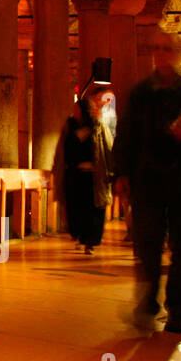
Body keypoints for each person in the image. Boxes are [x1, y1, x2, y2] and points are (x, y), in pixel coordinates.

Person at [112, 28, 181, 334]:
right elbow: (126, 135)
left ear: (177, 55)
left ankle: (177, 311)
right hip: (148, 180)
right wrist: (121, 173)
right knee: (147, 245)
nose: (160, 53)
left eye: (166, 49)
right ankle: (148, 302)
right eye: (156, 48)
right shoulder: (140, 94)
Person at [63, 94, 115, 254]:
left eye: (77, 110)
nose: (75, 113)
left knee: (94, 210)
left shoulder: (98, 127)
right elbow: (64, 150)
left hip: (94, 176)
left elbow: (107, 148)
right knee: (77, 209)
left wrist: (112, 171)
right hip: (76, 176)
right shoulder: (69, 127)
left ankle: (90, 242)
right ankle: (80, 236)